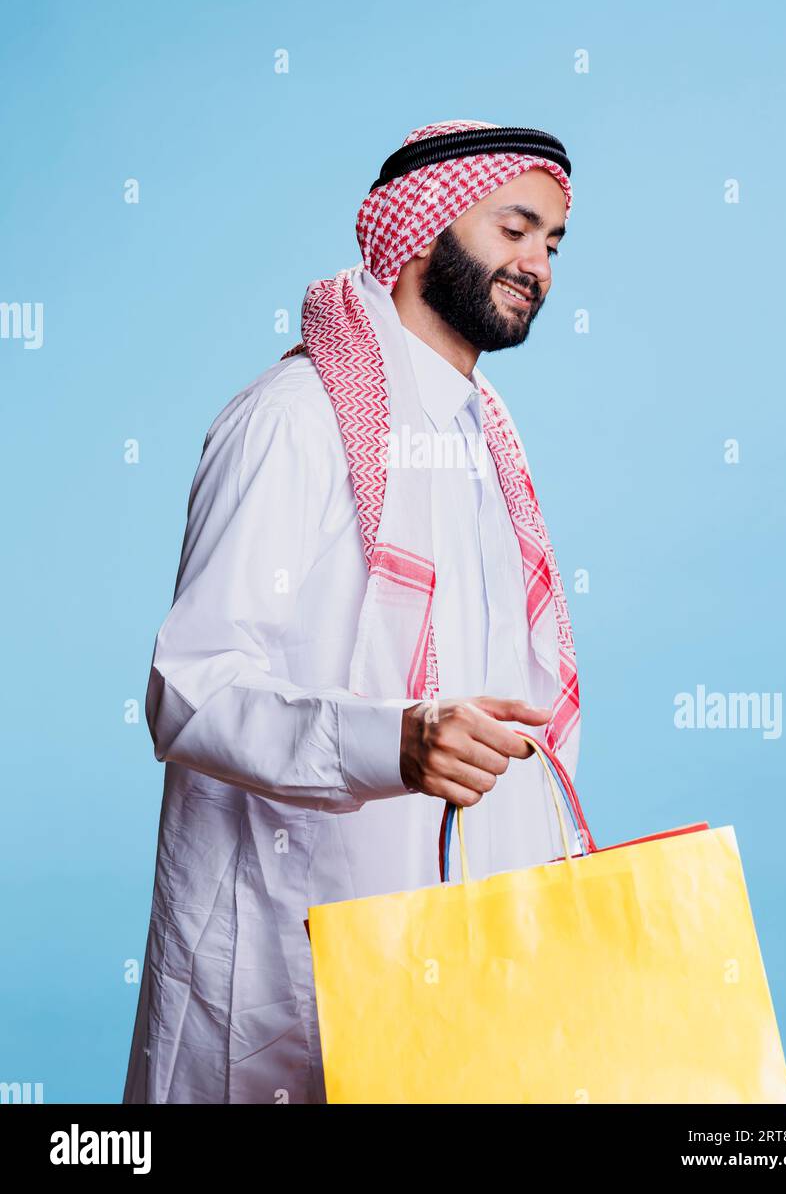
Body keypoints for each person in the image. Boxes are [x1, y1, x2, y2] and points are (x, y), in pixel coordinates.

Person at [122, 118, 585, 1105]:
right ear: (417, 230)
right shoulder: (292, 421)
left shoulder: (488, 450)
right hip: (289, 960)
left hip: (463, 971)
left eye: (549, 243)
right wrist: (394, 742)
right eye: (513, 228)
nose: (536, 263)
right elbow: (188, 691)